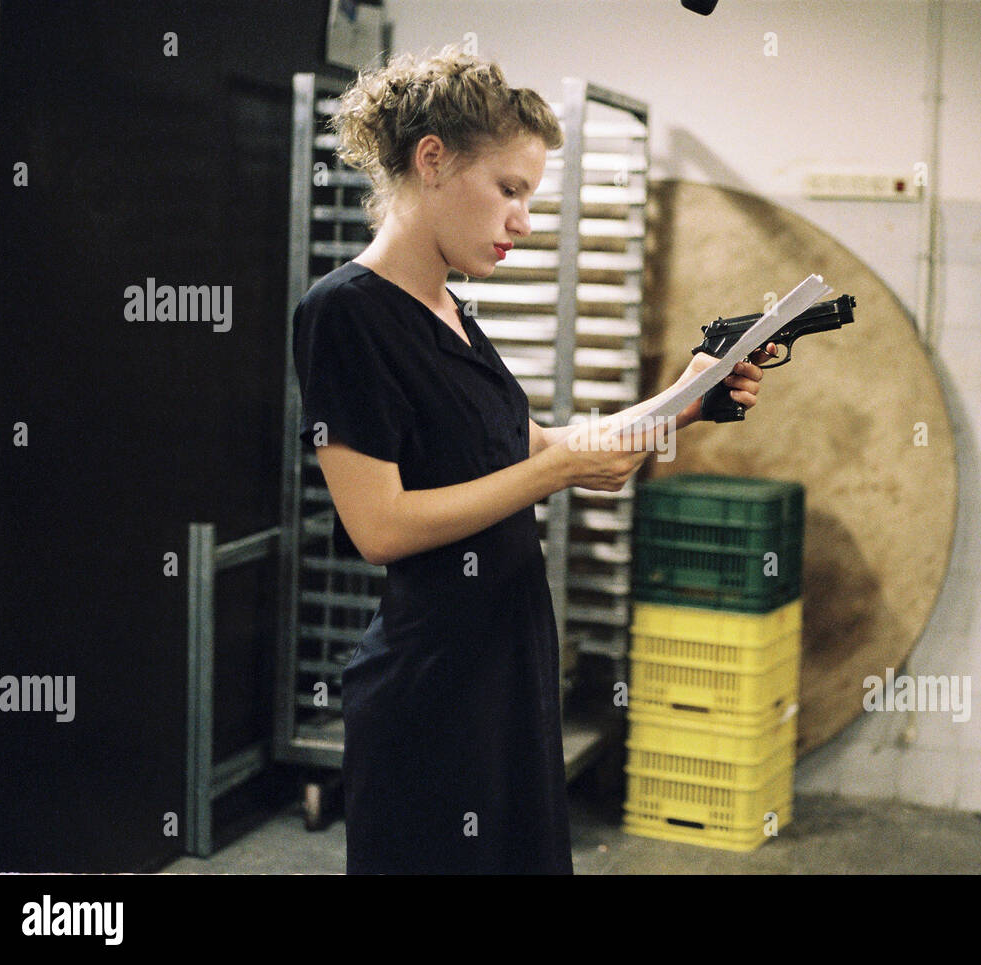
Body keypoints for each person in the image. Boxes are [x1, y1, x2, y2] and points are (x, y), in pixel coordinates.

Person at [291, 45, 777, 874]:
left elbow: (543, 446)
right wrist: (553, 475)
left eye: (530, 197)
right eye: (509, 190)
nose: (523, 219)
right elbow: (378, 525)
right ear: (433, 160)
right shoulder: (344, 315)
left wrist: (684, 403)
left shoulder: (450, 310)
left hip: (506, 665)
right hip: (431, 689)